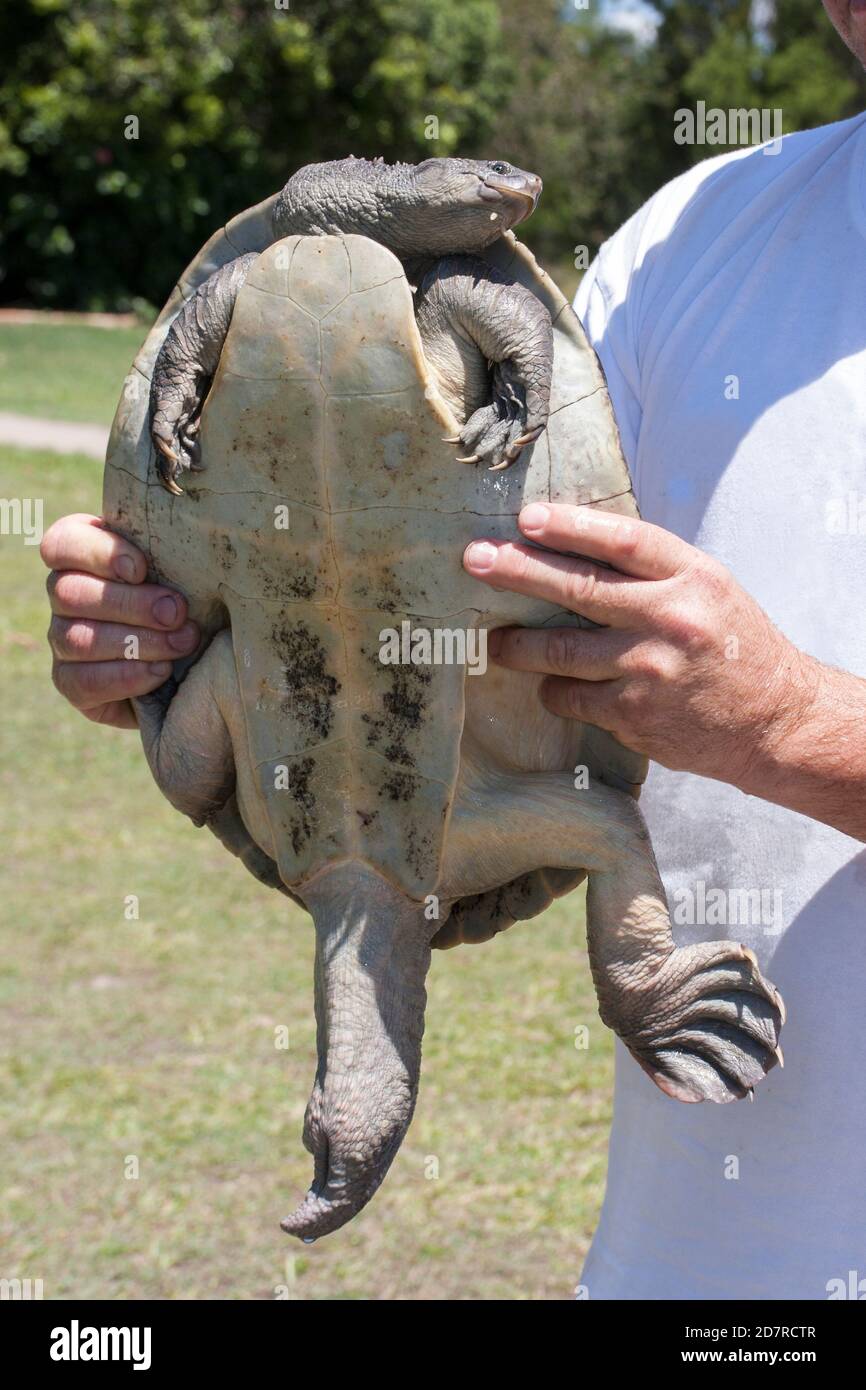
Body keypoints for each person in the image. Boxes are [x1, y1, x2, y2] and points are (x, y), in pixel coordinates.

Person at [40, 3, 866, 1298]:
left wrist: (791, 723)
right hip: (680, 1256)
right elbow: (457, 527)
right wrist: (141, 633)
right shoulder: (687, 236)